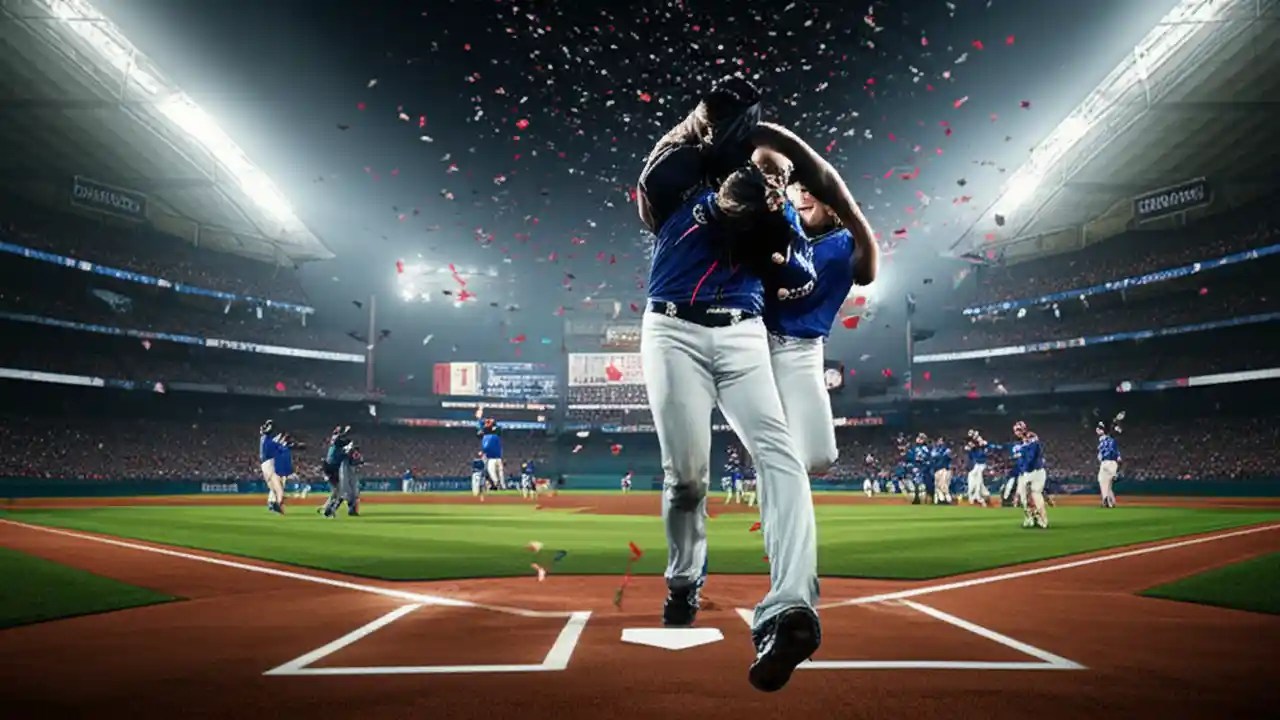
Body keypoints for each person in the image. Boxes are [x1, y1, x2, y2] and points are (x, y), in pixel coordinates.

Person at [637, 76, 870, 693]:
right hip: (671, 331)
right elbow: (660, 183)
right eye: (762, 170)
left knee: (782, 458)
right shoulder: (682, 194)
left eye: (778, 177)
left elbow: (796, 260)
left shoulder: (787, 228)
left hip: (743, 336)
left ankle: (791, 609)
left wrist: (777, 220)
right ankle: (683, 580)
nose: (769, 180)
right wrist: (729, 171)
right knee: (686, 480)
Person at [761, 178, 877, 478]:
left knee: (818, 457)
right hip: (754, 338)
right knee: (771, 445)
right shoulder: (782, 224)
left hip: (801, 348)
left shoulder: (851, 241)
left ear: (833, 200)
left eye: (810, 188)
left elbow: (867, 273)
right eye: (796, 189)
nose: (802, 195)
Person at [1013, 421, 1048, 529]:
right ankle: (1032, 518)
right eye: (1016, 430)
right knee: (1026, 497)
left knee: (1034, 495)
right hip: (1030, 472)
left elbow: (1030, 457)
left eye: (1019, 430)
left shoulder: (1030, 438)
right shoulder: (1020, 443)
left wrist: (1022, 457)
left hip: (1032, 471)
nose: (1017, 432)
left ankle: (1041, 519)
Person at [258, 420, 283, 513]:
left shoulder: (264, 439)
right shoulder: (266, 438)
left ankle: (271, 502)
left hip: (265, 463)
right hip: (269, 462)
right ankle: (273, 503)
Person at [1096, 421, 1121, 508]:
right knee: (1104, 482)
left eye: (1099, 428)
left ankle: (1115, 474)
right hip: (1105, 463)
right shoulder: (1105, 440)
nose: (1097, 430)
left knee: (1105, 482)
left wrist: (1115, 429)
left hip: (1110, 462)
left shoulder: (1109, 439)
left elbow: (1117, 434)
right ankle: (1109, 501)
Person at [964, 430, 992, 507]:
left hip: (982, 465)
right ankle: (980, 497)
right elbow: (970, 454)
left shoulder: (982, 445)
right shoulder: (973, 448)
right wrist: (970, 449)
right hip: (977, 465)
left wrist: (981, 443)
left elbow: (987, 450)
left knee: (978, 483)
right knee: (974, 480)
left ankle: (979, 499)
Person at [931, 437, 954, 505]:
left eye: (941, 441)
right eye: (939, 440)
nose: (939, 442)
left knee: (943, 486)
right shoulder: (936, 449)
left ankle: (947, 500)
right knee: (937, 486)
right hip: (937, 469)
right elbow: (933, 456)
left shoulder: (947, 450)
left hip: (944, 469)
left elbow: (948, 456)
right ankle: (941, 499)